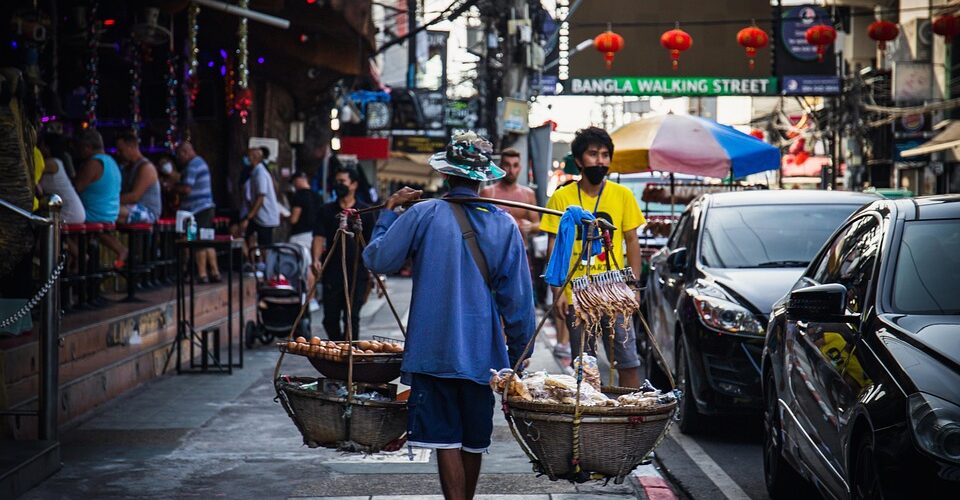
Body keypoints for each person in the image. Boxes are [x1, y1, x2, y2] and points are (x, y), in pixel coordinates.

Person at [363, 132, 535, 500]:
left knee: (447, 442)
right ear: (480, 178)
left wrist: (389, 212)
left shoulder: (422, 214)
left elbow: (378, 259)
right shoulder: (504, 224)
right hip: (483, 357)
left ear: (447, 174)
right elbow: (518, 300)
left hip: (433, 351)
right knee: (473, 443)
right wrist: (520, 351)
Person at [540, 127, 646, 389]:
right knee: (584, 364)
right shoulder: (561, 197)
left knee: (628, 361)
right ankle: (588, 420)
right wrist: (558, 290)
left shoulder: (623, 195)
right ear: (578, 160)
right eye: (593, 154)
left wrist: (634, 286)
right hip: (577, 292)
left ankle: (628, 418)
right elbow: (553, 247)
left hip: (616, 291)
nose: (600, 160)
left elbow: (632, 241)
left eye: (605, 155)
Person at [311, 166, 376, 341]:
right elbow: (318, 236)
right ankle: (338, 347)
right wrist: (315, 259)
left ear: (353, 184)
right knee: (330, 319)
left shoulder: (365, 212)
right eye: (337, 182)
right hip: (332, 271)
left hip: (357, 272)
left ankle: (350, 356)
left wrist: (375, 272)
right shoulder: (326, 210)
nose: (338, 185)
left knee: (352, 317)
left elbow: (372, 242)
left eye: (342, 182)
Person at [73, 128, 125, 263]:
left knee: (62, 223)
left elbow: (75, 189)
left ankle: (78, 260)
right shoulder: (111, 162)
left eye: (79, 148)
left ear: (87, 147)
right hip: (111, 214)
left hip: (94, 215)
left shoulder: (93, 163)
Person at [175, 141, 220, 283]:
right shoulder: (200, 162)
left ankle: (202, 275)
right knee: (206, 240)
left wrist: (172, 187)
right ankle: (214, 272)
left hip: (198, 210)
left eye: (179, 155)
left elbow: (187, 189)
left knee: (197, 241)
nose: (179, 159)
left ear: (185, 152)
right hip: (205, 208)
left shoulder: (193, 165)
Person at [479, 148, 540, 238]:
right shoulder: (488, 193)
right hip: (495, 248)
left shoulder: (528, 194)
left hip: (521, 249)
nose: (511, 170)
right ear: (500, 167)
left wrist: (530, 227)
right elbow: (478, 224)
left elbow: (538, 224)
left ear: (519, 168)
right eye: (507, 165)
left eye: (515, 165)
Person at [115, 131, 162, 224]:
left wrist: (109, 200)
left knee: (108, 211)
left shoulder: (146, 167)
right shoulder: (128, 167)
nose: (118, 154)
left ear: (131, 147)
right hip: (131, 207)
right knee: (104, 212)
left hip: (148, 212)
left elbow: (134, 197)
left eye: (121, 150)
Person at [241, 146, 280, 248]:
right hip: (259, 216)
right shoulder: (255, 172)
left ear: (254, 157)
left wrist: (249, 216)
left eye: (248, 155)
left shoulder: (260, 173)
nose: (246, 158)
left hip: (265, 217)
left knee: (265, 246)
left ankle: (265, 262)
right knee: (245, 235)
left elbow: (260, 197)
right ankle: (253, 260)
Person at [287, 170, 318, 285]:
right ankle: (312, 296)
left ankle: (306, 296)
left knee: (301, 267)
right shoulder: (317, 196)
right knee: (313, 265)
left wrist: (286, 217)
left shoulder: (298, 196)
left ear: (298, 180)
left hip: (300, 236)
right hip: (315, 236)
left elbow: (294, 219)